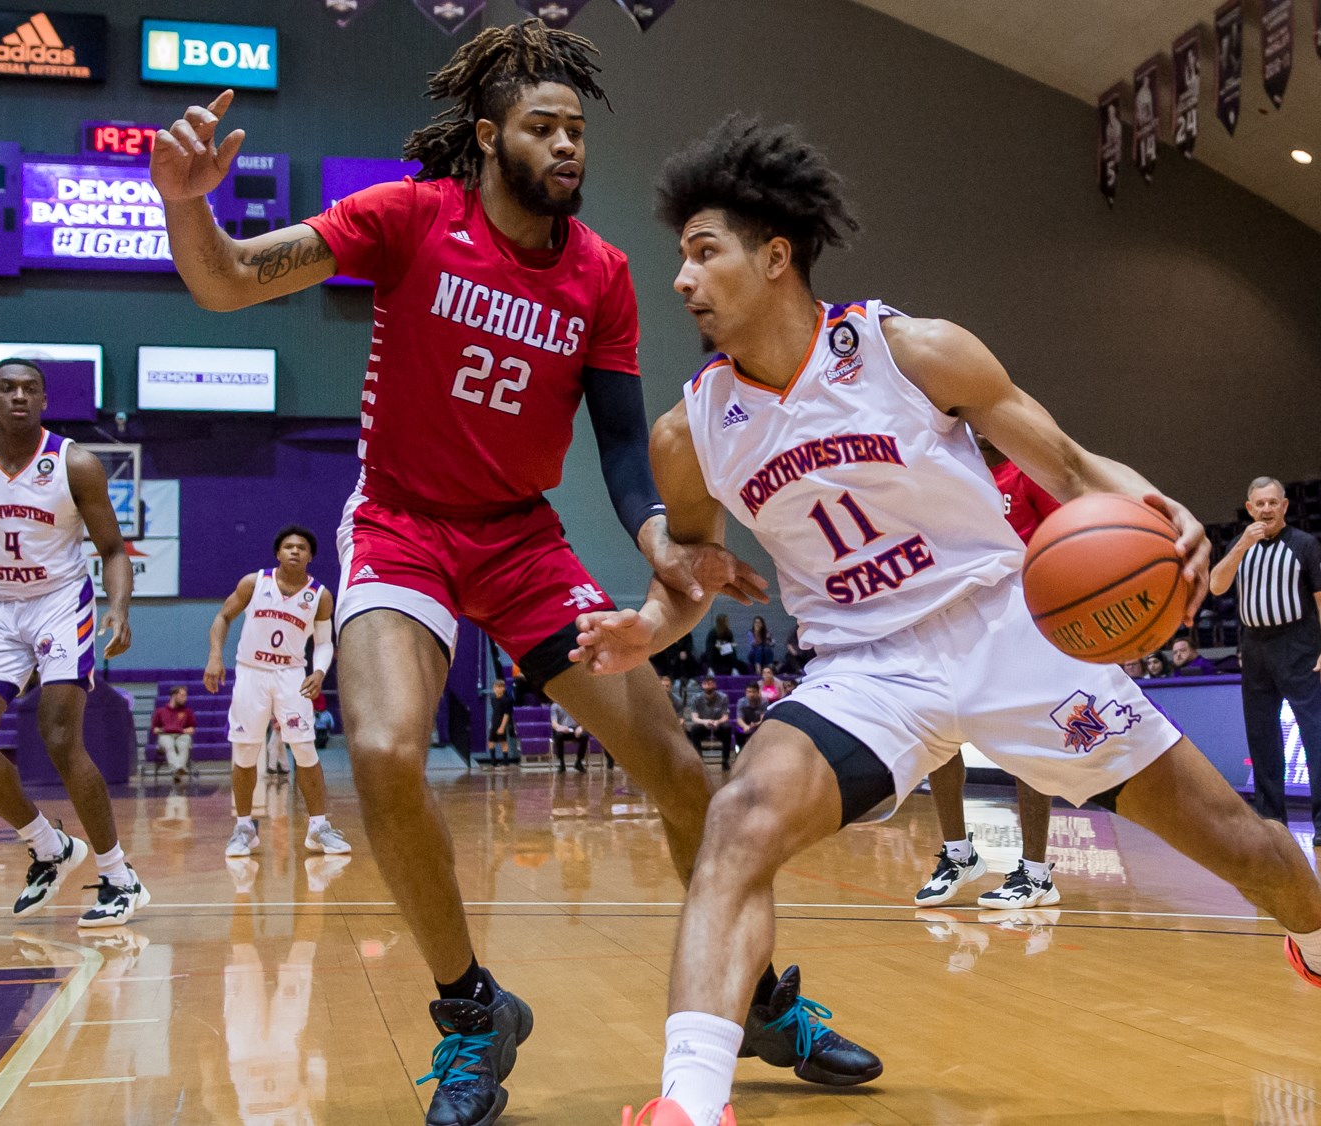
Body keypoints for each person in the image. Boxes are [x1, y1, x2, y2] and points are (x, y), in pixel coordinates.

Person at [581, 117, 1321, 1126]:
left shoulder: (909, 350)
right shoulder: (691, 432)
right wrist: (653, 623)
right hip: (864, 667)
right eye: (680, 257)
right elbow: (693, 572)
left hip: (1007, 631)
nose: (681, 279)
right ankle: (690, 1102)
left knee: (1239, 842)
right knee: (738, 820)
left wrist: (1159, 508)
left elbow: (1070, 467)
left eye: (703, 252)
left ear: (775, 257)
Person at [152, 24, 873, 1121]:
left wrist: (657, 543)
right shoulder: (406, 217)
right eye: (543, 127)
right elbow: (230, 279)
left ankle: (763, 1002)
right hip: (401, 525)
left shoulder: (602, 274)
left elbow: (622, 448)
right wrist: (186, 205)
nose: (568, 145)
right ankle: (471, 1011)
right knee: (384, 750)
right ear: (489, 137)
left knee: (681, 773)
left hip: (522, 540)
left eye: (577, 129)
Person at [0, 358, 148, 927]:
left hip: (61, 603)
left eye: (29, 388)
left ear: (44, 400)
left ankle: (119, 877)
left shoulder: (75, 463)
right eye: (7, 387)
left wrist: (118, 606)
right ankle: (48, 846)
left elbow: (113, 550)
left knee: (60, 736)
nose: (18, 396)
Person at [916, 441, 1066, 912]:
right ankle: (958, 855)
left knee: (1028, 745)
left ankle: (1037, 874)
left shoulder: (1026, 474)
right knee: (938, 737)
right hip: (958, 622)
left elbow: (1067, 542)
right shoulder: (954, 479)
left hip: (1022, 625)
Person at [1209, 477, 1321, 847]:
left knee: (1315, 735)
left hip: (1298, 645)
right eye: (1260, 504)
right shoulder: (1241, 545)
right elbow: (1216, 585)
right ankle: (1272, 821)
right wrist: (1242, 545)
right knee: (1262, 737)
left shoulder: (1305, 545)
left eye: (1273, 502)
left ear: (1284, 506)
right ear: (1249, 508)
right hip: (1255, 648)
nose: (1266, 509)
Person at [206, 526, 350, 859]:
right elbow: (223, 616)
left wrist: (319, 671)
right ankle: (244, 828)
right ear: (278, 553)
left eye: (302, 547)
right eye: (288, 546)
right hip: (251, 672)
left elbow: (324, 643)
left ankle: (318, 828)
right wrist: (215, 655)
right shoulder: (254, 582)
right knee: (245, 753)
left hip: (292, 676)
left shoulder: (320, 596)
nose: (295, 551)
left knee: (305, 750)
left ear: (310, 556)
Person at [152, 685, 197, 782]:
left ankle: (177, 771)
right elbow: (154, 729)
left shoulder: (187, 712)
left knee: (184, 745)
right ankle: (179, 768)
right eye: (182, 696)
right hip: (165, 735)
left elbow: (192, 729)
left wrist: (179, 730)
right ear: (174, 696)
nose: (185, 698)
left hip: (182, 735)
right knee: (169, 745)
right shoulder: (160, 711)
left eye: (185, 696)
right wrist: (164, 730)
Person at [686, 675, 733, 768]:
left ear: (715, 685)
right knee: (694, 729)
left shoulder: (723, 697)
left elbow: (725, 716)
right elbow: (694, 718)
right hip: (703, 724)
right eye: (705, 684)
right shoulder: (696, 698)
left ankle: (725, 760)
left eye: (710, 683)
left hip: (718, 725)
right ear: (702, 685)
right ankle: (699, 761)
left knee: (727, 728)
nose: (708, 686)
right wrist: (705, 722)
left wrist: (718, 722)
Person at [484, 678, 518, 765]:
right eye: (495, 687)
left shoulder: (506, 700)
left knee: (503, 742)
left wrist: (502, 727)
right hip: (494, 722)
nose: (497, 689)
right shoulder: (493, 699)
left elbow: (506, 715)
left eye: (499, 687)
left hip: (501, 723)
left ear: (503, 688)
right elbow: (495, 711)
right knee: (491, 742)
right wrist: (492, 723)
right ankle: (493, 761)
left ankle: (506, 761)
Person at [550, 699, 590, 772]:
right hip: (562, 729)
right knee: (558, 736)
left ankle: (579, 762)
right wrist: (561, 728)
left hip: (574, 729)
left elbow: (585, 721)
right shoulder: (555, 706)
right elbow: (554, 724)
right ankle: (561, 763)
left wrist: (581, 727)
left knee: (585, 736)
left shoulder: (578, 704)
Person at [732, 683, 766, 755]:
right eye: (749, 692)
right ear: (746, 692)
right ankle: (739, 753)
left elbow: (763, 719)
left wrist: (756, 724)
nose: (751, 694)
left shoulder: (764, 702)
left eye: (754, 692)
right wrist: (745, 726)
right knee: (737, 731)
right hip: (745, 726)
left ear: (758, 692)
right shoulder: (741, 702)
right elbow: (739, 719)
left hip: (758, 726)